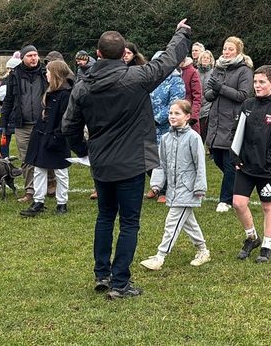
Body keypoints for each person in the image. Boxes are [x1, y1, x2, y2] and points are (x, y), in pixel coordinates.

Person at [61, 19, 191, 300]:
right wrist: (181, 33)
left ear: (98, 53)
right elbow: (168, 61)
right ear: (123, 54)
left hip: (104, 161)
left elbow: (69, 126)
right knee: (129, 221)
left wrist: (83, 150)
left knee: (105, 215)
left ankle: (103, 273)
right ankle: (119, 282)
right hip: (131, 162)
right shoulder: (136, 78)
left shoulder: (84, 86)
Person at [139, 99, 210, 270]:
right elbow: (161, 163)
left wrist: (199, 187)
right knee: (188, 223)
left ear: (187, 116)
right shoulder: (165, 138)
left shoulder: (194, 138)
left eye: (177, 113)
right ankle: (203, 250)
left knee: (172, 223)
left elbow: (200, 164)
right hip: (173, 189)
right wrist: (156, 184)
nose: (172, 116)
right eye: (171, 113)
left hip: (188, 190)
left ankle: (160, 256)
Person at [231, 65, 271, 263]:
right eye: (255, 82)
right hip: (246, 166)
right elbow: (236, 131)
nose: (257, 85)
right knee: (238, 203)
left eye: (262, 82)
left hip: (267, 169)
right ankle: (252, 237)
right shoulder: (247, 104)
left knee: (268, 207)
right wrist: (235, 155)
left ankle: (266, 245)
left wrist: (268, 159)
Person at [20, 60, 84, 216]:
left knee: (61, 171)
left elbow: (65, 119)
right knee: (39, 169)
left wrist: (56, 136)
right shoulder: (50, 91)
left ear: (55, 73)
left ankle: (62, 203)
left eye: (48, 71)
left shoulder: (66, 94)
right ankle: (38, 201)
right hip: (42, 136)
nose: (45, 74)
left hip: (57, 138)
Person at [205, 36, 254, 213]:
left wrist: (221, 88)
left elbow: (243, 95)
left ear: (238, 51)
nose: (226, 52)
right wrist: (212, 90)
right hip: (216, 121)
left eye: (230, 49)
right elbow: (208, 95)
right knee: (217, 157)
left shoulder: (244, 71)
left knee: (228, 161)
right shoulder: (218, 68)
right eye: (225, 48)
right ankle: (239, 185)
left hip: (232, 121)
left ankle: (225, 200)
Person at [0, 45, 48, 203]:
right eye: (30, 56)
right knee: (26, 159)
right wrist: (3, 122)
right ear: (23, 58)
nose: (33, 58)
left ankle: (52, 185)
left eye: (36, 55)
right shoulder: (14, 75)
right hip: (22, 124)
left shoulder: (45, 73)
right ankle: (30, 191)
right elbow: (8, 101)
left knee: (47, 155)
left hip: (43, 123)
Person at [146, 52, 186, 203]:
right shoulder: (150, 79)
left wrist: (158, 119)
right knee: (149, 158)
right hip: (147, 125)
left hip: (166, 126)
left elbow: (176, 103)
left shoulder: (175, 80)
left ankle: (166, 190)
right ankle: (156, 185)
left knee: (166, 159)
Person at [179, 56, 202, 134]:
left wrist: (193, 116)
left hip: (188, 113)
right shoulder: (173, 71)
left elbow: (197, 96)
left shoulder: (192, 72)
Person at [196, 50, 215, 140]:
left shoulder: (214, 73)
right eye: (204, 57)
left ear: (211, 60)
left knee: (204, 133)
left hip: (208, 106)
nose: (206, 59)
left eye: (208, 58)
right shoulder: (195, 72)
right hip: (197, 106)